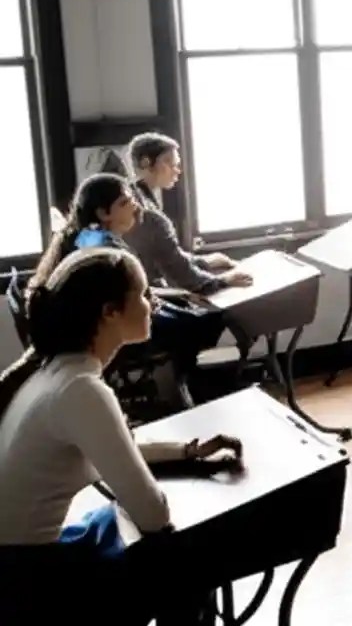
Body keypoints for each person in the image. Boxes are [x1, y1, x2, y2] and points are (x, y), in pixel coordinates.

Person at [0, 248, 241, 624]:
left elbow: (108, 450)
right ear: (109, 311)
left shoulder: (54, 370)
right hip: (28, 584)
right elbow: (153, 513)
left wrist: (188, 450)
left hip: (16, 565)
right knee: (181, 557)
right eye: (144, 294)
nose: (153, 302)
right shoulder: (81, 389)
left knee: (118, 522)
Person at [29, 173, 220, 413]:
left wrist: (178, 294)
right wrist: (175, 296)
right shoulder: (100, 248)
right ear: (103, 213)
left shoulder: (89, 236)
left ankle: (175, 382)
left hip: (105, 318)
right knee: (194, 323)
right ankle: (174, 387)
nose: (135, 206)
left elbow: (138, 291)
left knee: (191, 312)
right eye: (124, 202)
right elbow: (128, 299)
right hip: (100, 329)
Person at [123, 132, 250, 295]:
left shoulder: (135, 197)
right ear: (146, 162)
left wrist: (204, 262)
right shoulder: (148, 215)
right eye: (171, 164)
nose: (178, 171)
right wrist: (223, 281)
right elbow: (183, 276)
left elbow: (169, 255)